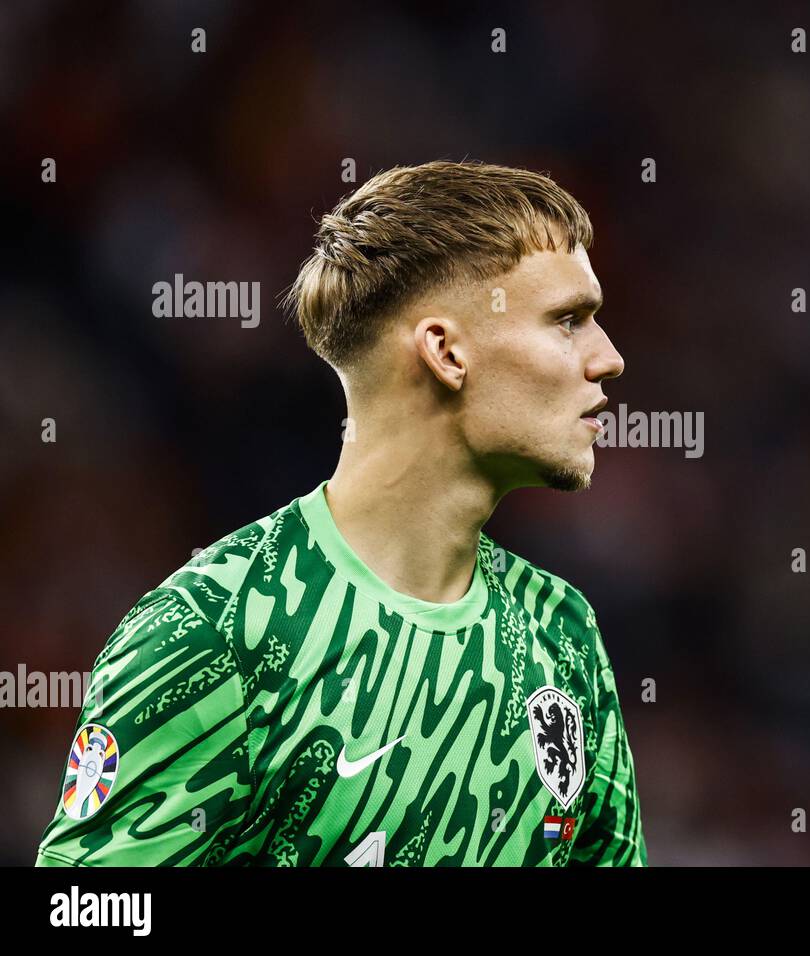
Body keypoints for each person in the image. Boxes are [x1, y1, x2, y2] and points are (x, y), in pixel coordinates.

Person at [35, 160, 645, 866]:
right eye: (568, 321)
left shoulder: (562, 633)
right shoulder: (218, 630)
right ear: (446, 351)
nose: (610, 359)